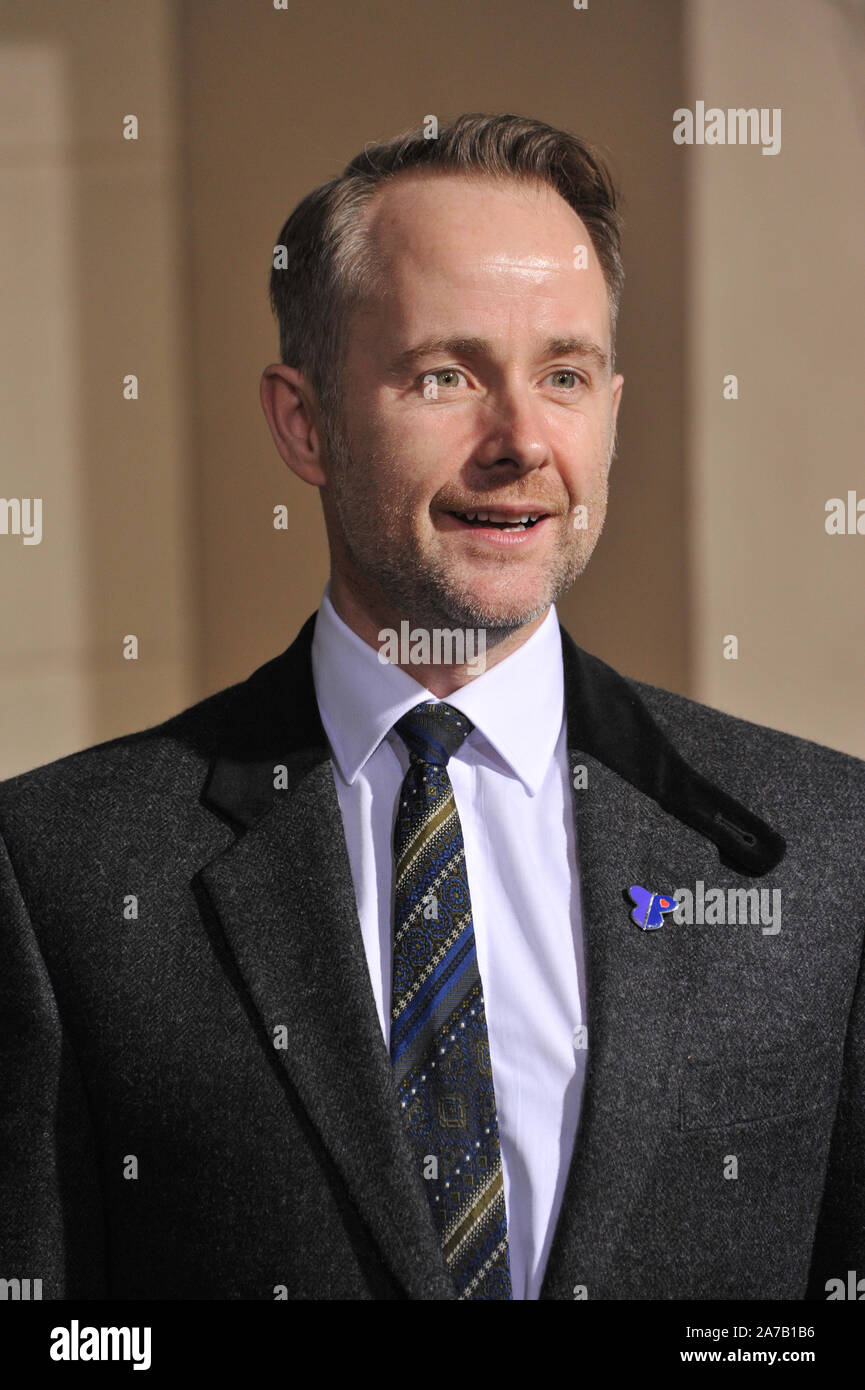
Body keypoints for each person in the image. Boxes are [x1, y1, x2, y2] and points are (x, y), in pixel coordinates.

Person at [1, 113, 863, 1303]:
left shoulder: (823, 851)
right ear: (304, 422)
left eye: (563, 375)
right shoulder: (64, 870)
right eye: (445, 376)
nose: (521, 442)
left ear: (612, 407)